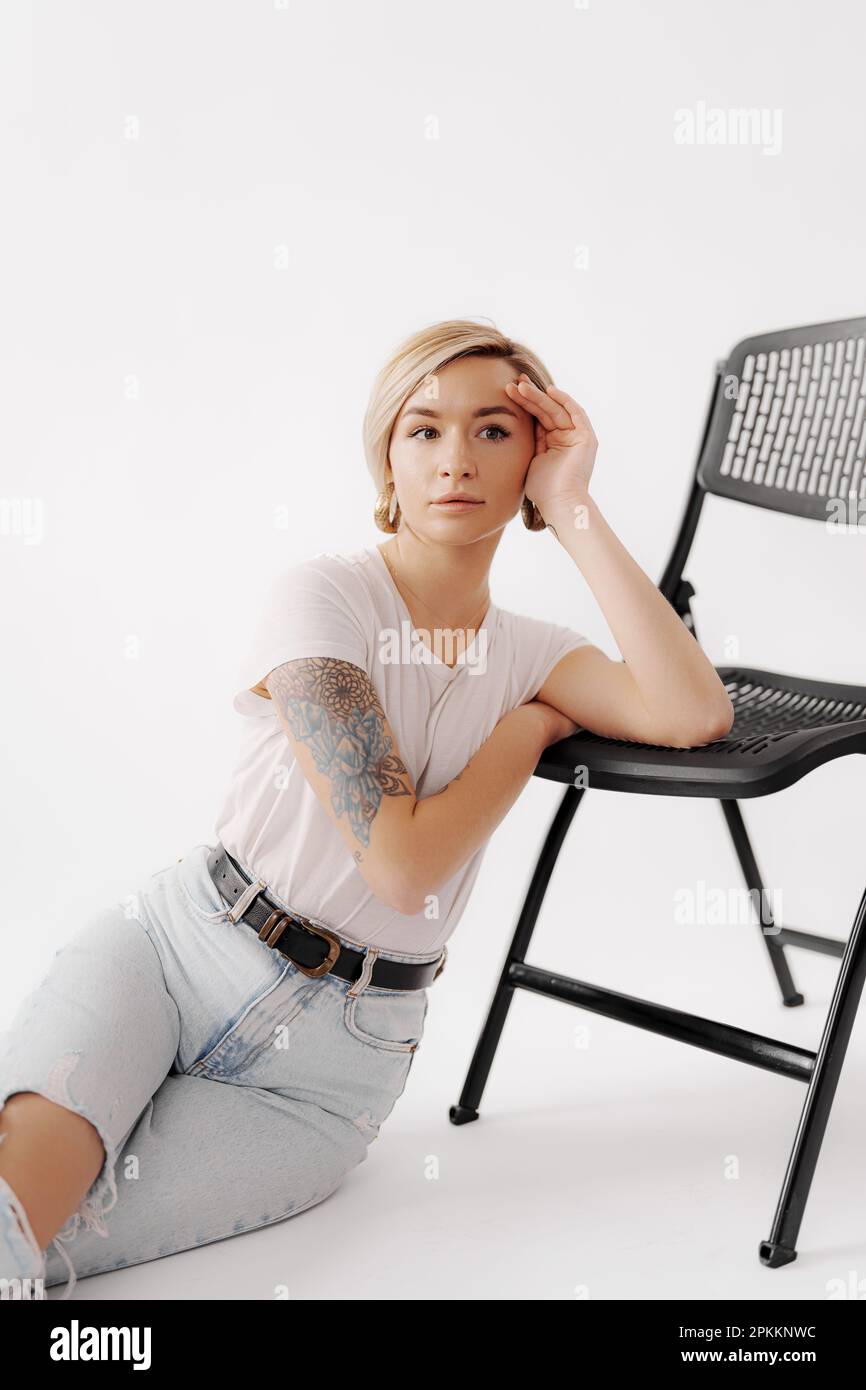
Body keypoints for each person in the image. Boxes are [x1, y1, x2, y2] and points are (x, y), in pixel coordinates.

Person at [0, 318, 733, 1298]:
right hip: (175, 952)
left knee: (49, 1250)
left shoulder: (535, 650)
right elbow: (402, 861)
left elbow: (693, 714)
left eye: (494, 431)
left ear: (533, 457)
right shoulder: (324, 598)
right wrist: (524, 732)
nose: (454, 460)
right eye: (423, 430)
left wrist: (575, 509)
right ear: (386, 456)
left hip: (328, 1073)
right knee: (13, 1214)